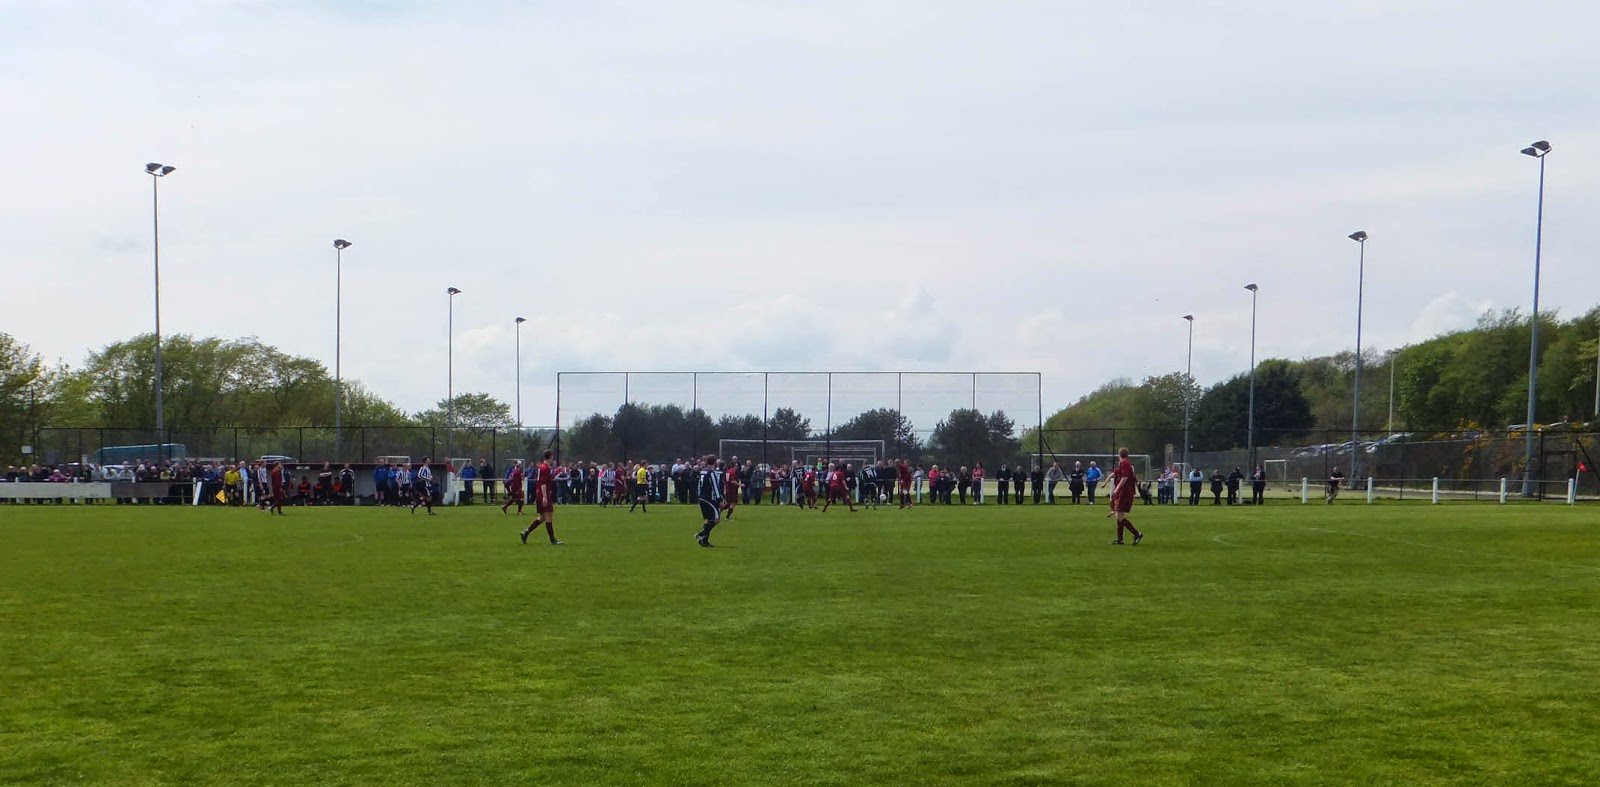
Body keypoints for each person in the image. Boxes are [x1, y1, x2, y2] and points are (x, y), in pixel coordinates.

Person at [520, 450, 564, 545]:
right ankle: (553, 540)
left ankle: (526, 532)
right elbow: (543, 483)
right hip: (543, 494)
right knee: (548, 516)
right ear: (551, 457)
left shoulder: (542, 467)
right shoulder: (545, 468)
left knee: (542, 517)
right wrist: (545, 497)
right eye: (553, 457)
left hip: (539, 493)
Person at [1107, 448, 1144, 546]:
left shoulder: (1124, 464)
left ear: (1119, 455)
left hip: (1125, 493)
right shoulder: (1127, 464)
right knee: (1119, 515)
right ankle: (1120, 540)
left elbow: (1125, 478)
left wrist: (1116, 489)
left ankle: (1137, 534)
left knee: (1119, 516)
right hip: (1126, 492)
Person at [694, 454, 723, 547]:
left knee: (708, 520)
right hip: (709, 499)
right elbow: (715, 487)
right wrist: (720, 500)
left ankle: (704, 540)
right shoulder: (711, 473)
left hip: (702, 498)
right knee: (716, 519)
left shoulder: (703, 471)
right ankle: (701, 534)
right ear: (715, 462)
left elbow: (699, 485)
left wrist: (698, 496)